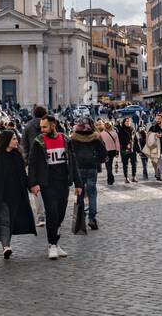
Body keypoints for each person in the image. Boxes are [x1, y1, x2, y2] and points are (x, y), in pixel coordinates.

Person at [26, 114, 80, 259]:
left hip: (63, 182)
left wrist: (78, 183)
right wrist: (33, 183)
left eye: (44, 127)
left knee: (61, 214)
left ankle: (56, 242)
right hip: (47, 183)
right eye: (41, 127)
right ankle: (52, 245)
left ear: (53, 125)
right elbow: (32, 164)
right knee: (52, 213)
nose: (42, 129)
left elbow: (73, 162)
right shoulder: (39, 142)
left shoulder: (65, 140)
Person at [0, 129, 37, 258]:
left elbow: (23, 175)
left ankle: (6, 244)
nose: (16, 141)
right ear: (7, 141)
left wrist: (31, 186)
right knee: (4, 220)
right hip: (0, 195)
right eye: (14, 139)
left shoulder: (18, 157)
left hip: (16, 194)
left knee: (12, 219)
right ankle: (6, 246)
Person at [67, 119, 107, 230]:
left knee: (80, 192)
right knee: (92, 193)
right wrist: (98, 159)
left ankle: (80, 218)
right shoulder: (95, 137)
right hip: (91, 167)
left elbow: (69, 153)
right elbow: (103, 153)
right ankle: (92, 218)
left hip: (79, 167)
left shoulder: (73, 139)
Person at [21, 106, 49, 226]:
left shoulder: (28, 126)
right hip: (49, 158)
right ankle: (51, 212)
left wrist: (26, 160)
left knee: (36, 188)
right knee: (49, 186)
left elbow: (24, 145)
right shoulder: (51, 124)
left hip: (34, 160)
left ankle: (41, 216)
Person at [98, 120, 120, 185]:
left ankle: (110, 179)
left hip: (105, 151)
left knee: (108, 165)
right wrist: (117, 152)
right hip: (113, 151)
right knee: (110, 164)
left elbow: (100, 144)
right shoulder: (115, 133)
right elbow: (117, 144)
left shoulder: (101, 134)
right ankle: (110, 178)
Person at [118, 117, 137, 183]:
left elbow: (136, 140)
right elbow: (119, 141)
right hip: (124, 150)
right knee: (125, 164)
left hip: (132, 149)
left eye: (129, 121)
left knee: (134, 164)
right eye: (126, 121)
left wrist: (139, 150)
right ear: (124, 122)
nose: (128, 122)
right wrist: (125, 146)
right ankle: (126, 178)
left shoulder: (133, 129)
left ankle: (134, 177)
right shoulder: (120, 130)